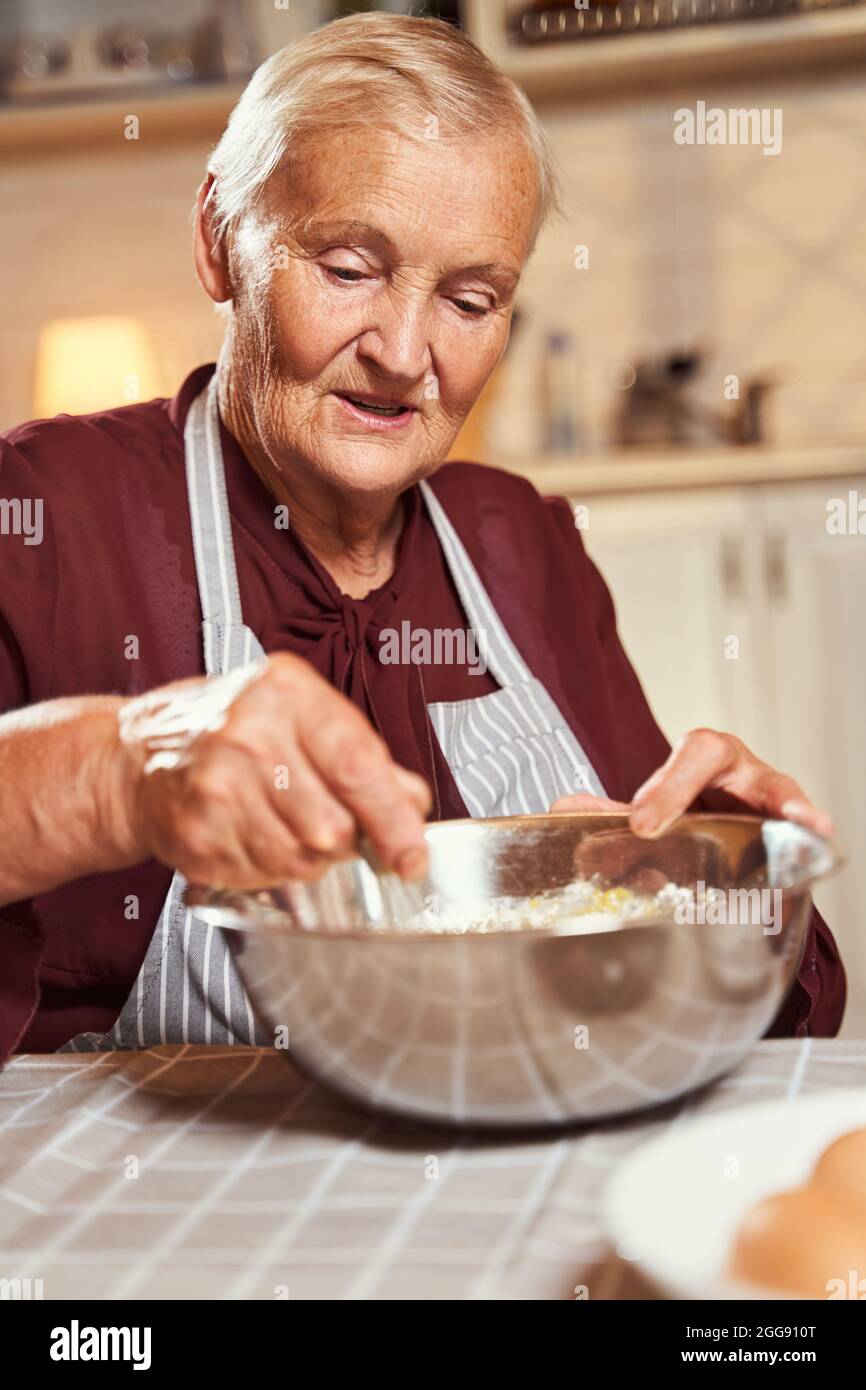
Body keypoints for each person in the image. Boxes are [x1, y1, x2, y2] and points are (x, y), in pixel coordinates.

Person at [0, 13, 844, 1060]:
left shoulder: (522, 544)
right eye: (349, 268)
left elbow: (671, 998)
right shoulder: (44, 514)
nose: (404, 354)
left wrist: (722, 885)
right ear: (219, 239)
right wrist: (113, 775)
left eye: (469, 298)